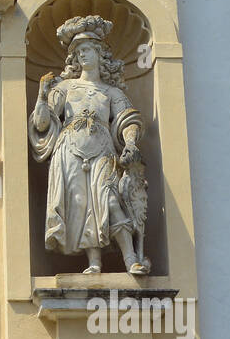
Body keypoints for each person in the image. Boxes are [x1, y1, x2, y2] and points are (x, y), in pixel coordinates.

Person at [28, 16, 148, 275]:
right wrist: (41, 94)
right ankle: (94, 262)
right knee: (82, 204)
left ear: (100, 54)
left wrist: (129, 143)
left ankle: (131, 259)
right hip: (70, 150)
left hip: (103, 150)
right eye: (78, 52)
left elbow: (129, 120)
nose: (82, 56)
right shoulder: (65, 88)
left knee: (110, 200)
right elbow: (40, 124)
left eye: (87, 50)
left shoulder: (111, 92)